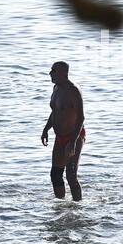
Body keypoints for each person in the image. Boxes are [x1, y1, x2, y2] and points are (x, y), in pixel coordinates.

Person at [40, 61, 85, 201]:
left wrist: (72, 141)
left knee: (71, 175)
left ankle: (78, 208)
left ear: (63, 73)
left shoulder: (73, 91)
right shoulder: (56, 89)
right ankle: (61, 207)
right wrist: (46, 129)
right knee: (55, 175)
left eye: (53, 71)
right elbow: (55, 112)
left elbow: (81, 118)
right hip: (60, 137)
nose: (50, 74)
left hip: (74, 137)